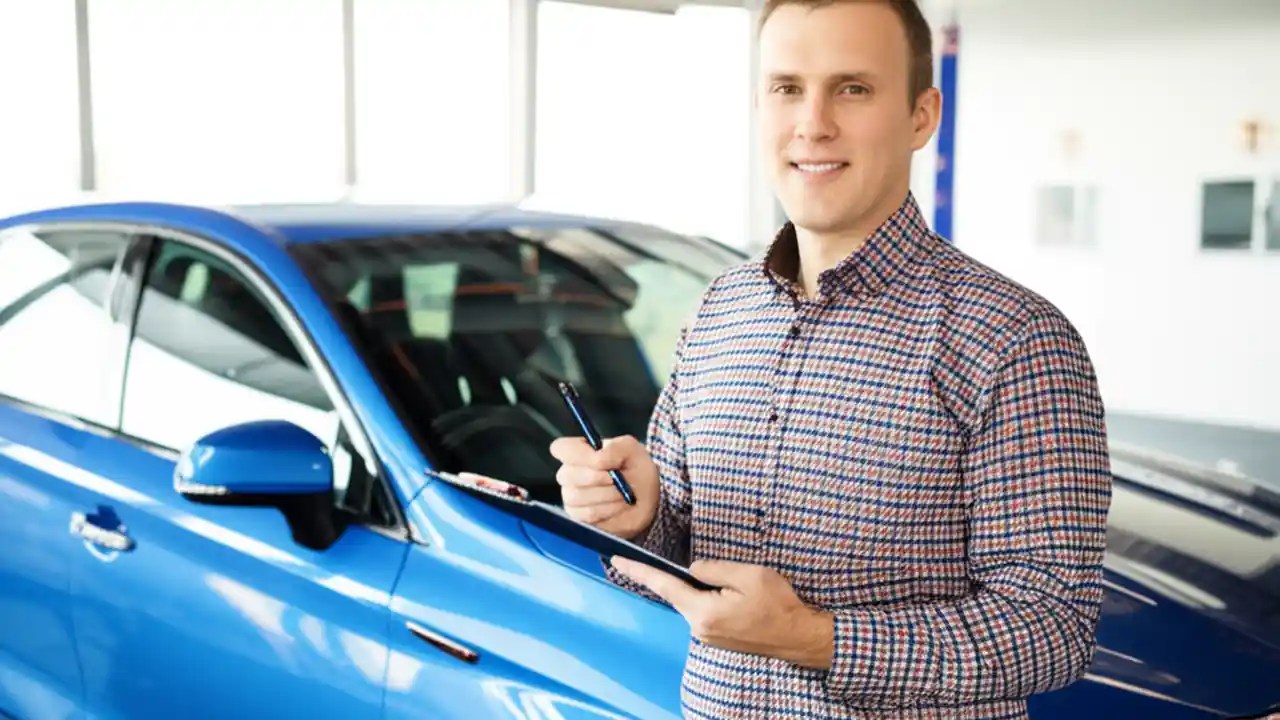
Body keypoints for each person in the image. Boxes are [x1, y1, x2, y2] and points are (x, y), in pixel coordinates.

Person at [549, 1, 1112, 717]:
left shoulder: (1015, 338)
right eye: (787, 88)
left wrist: (817, 638)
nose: (812, 123)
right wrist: (635, 520)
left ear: (921, 115)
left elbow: (1053, 628)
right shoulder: (722, 310)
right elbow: (678, 552)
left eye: (852, 88)